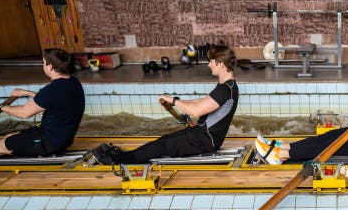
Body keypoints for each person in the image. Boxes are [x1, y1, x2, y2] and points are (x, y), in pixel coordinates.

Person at [90, 43, 238, 164]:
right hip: (200, 136)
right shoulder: (227, 86)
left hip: (204, 141)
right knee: (163, 141)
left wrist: (174, 101)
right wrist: (174, 101)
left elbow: (197, 111)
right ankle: (123, 155)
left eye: (211, 61)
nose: (209, 65)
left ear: (221, 64)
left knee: (161, 146)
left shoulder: (225, 89)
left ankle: (115, 160)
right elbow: (201, 102)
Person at [0, 48, 84, 163]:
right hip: (63, 138)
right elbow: (55, 99)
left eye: (43, 63)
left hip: (48, 142)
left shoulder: (51, 90)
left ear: (49, 66)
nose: (43, 66)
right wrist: (26, 92)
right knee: (9, 137)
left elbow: (24, 113)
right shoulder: (72, 82)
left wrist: (1, 107)